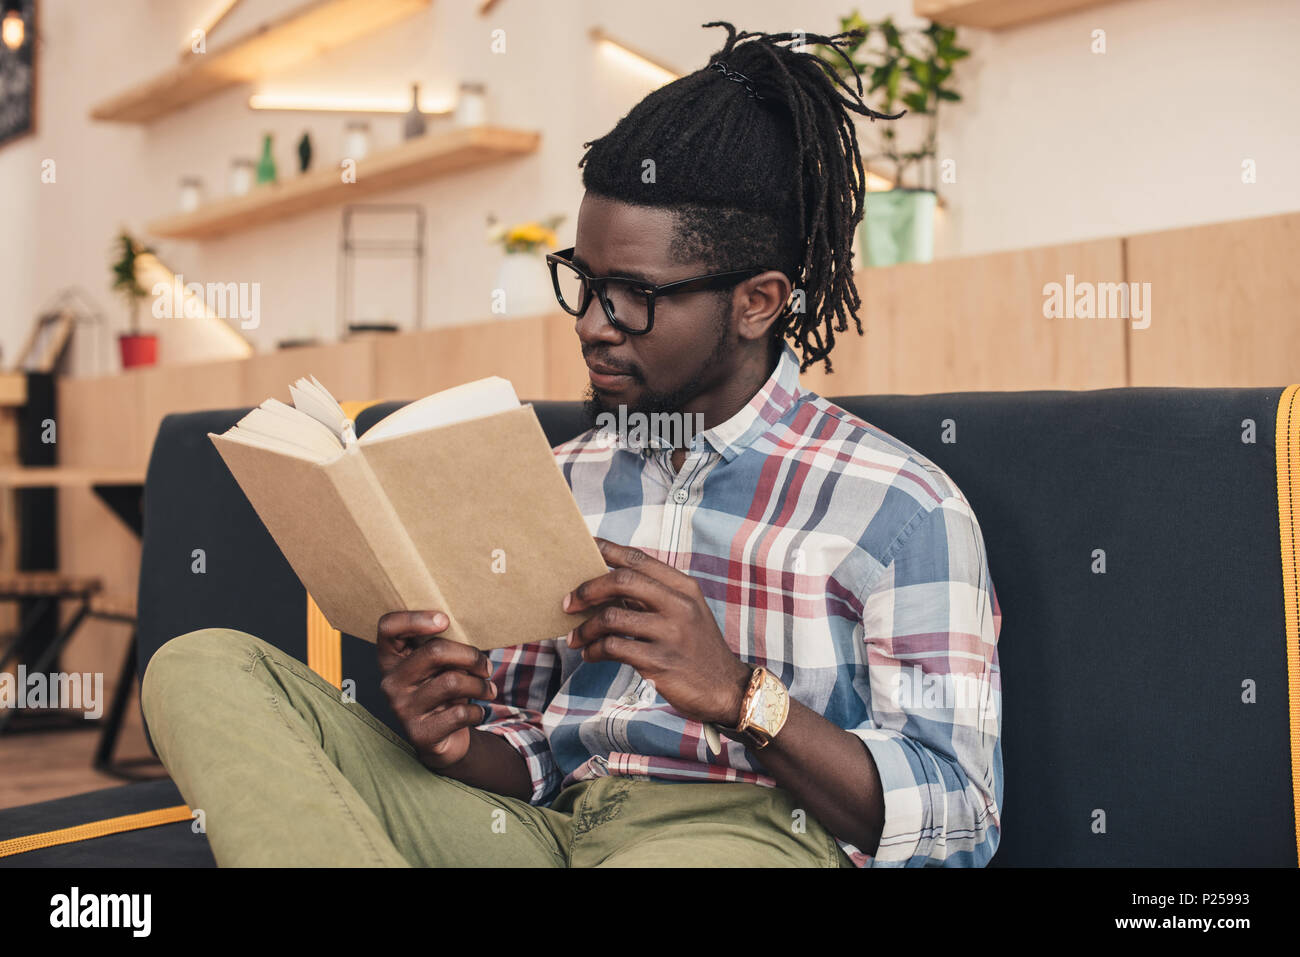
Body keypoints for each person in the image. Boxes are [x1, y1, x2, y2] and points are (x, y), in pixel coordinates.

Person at [142, 21, 1002, 868]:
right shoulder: (562, 476)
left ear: (759, 301)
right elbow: (533, 748)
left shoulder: (899, 507)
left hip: (754, 836)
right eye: (585, 284)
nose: (593, 325)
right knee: (203, 668)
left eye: (633, 295)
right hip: (553, 832)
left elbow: (962, 813)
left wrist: (741, 695)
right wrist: (450, 739)